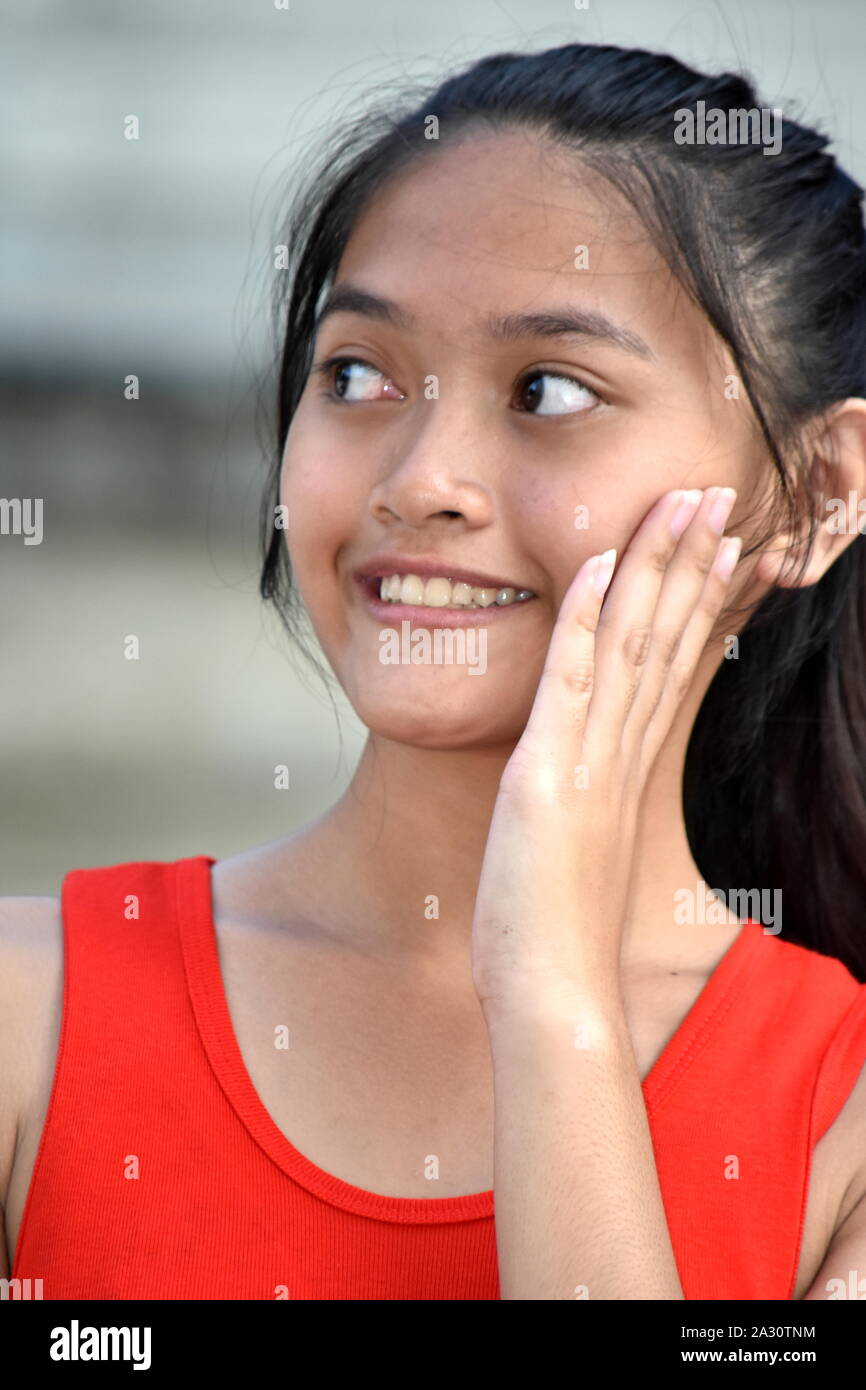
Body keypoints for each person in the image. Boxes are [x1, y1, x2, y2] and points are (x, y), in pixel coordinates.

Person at [3, 40, 866, 1301]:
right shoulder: (33, 1014)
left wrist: (552, 995)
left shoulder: (838, 1124)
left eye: (547, 391)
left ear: (810, 495)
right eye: (355, 375)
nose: (416, 481)